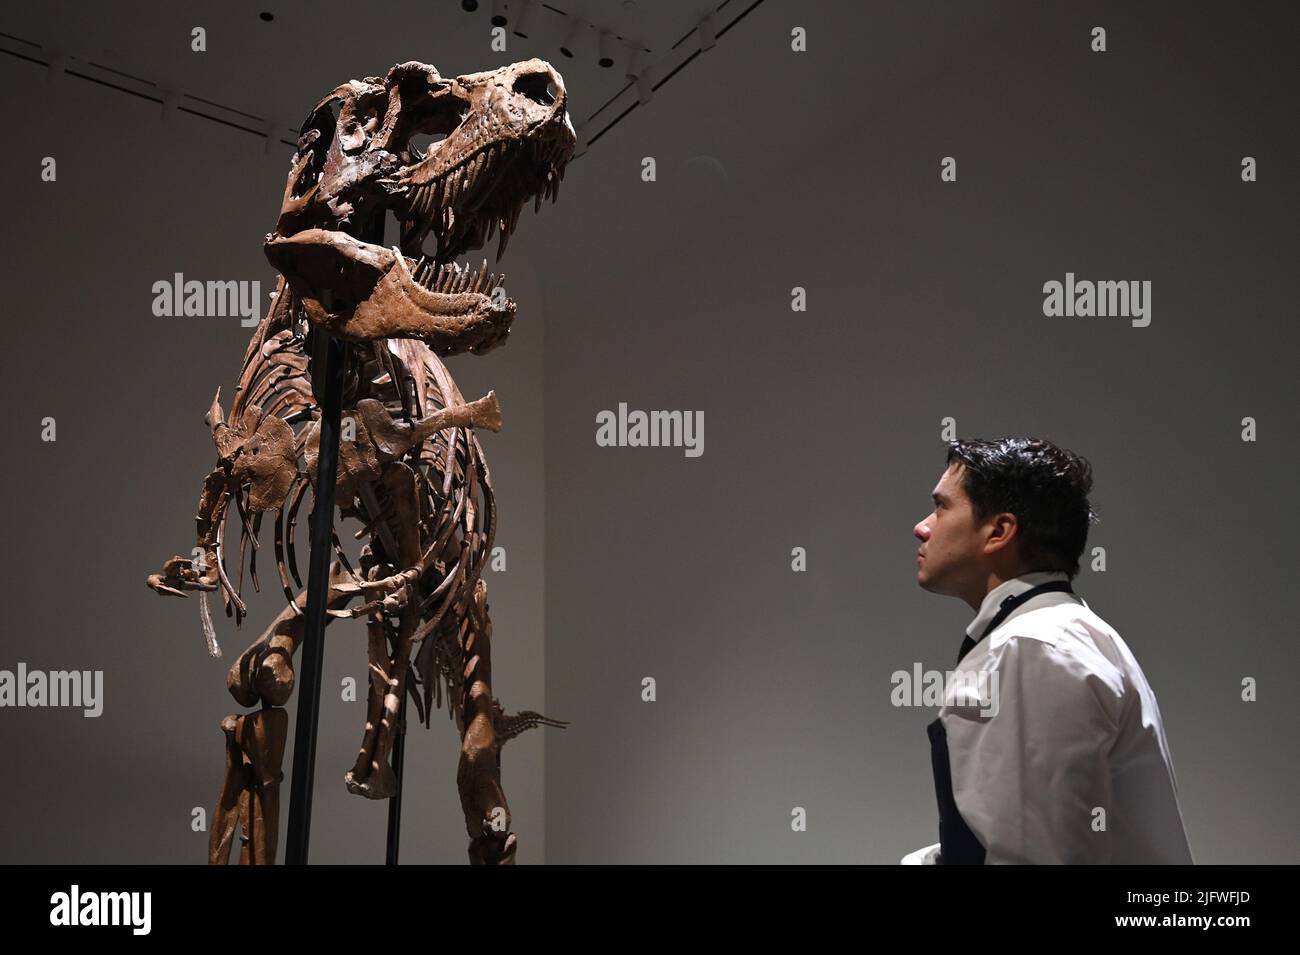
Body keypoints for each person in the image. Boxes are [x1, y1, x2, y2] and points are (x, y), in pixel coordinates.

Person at [902, 437, 1193, 864]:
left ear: (999, 531)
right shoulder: (1064, 636)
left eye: (942, 507)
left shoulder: (1031, 649)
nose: (922, 526)